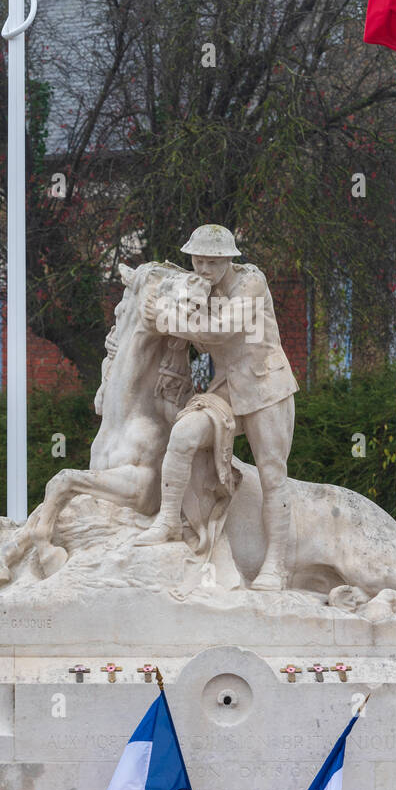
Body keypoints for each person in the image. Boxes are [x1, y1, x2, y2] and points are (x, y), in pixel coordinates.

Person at [135, 224, 298, 591]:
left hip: (265, 386)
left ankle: (275, 566)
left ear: (228, 260)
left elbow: (219, 331)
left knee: (273, 476)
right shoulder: (199, 286)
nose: (203, 269)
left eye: (212, 262)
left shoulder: (251, 283)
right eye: (197, 260)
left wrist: (163, 315)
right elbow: (189, 335)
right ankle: (168, 521)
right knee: (183, 434)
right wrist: (165, 306)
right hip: (225, 387)